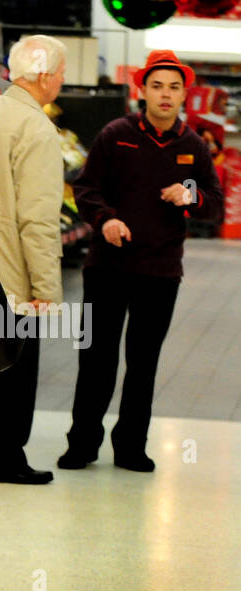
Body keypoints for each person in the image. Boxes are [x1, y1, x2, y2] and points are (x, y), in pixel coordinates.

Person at [59, 50, 224, 472]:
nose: (165, 95)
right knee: (95, 358)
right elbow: (86, 189)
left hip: (160, 272)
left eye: (173, 87)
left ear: (185, 94)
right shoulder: (116, 135)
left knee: (143, 362)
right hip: (106, 268)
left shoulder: (193, 147)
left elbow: (214, 205)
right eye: (157, 86)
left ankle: (131, 446)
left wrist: (192, 196)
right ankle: (83, 443)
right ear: (142, 91)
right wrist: (107, 219)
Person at [0, 34, 67, 485]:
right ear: (44, 75)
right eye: (60, 73)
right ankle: (7, 457)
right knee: (16, 370)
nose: (61, 82)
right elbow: (38, 220)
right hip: (15, 275)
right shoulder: (37, 129)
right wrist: (47, 289)